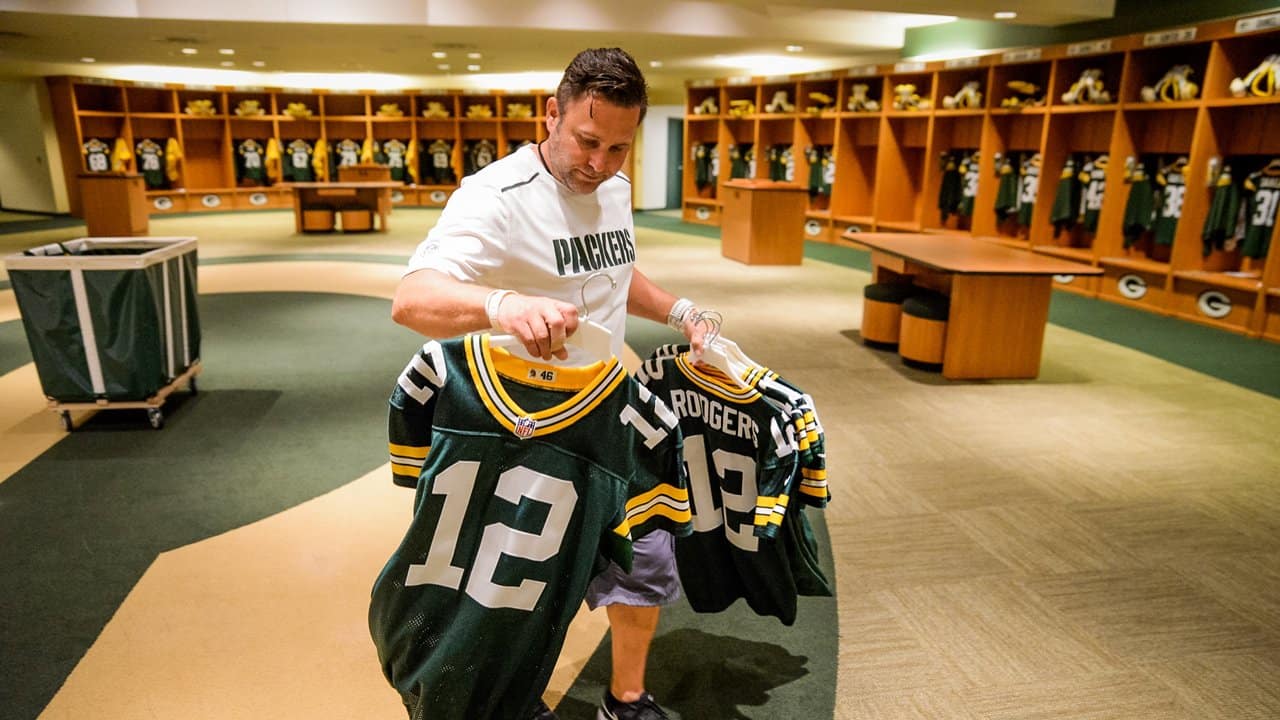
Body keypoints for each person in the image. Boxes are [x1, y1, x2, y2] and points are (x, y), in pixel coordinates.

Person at [391, 47, 706, 720]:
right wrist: (501, 304)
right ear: (551, 115)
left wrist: (679, 311)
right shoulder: (496, 197)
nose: (599, 164)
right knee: (517, 588)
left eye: (619, 149)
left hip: (609, 414)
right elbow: (412, 299)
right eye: (587, 142)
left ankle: (627, 698)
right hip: (525, 436)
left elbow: (616, 271)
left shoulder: (613, 190)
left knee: (646, 557)